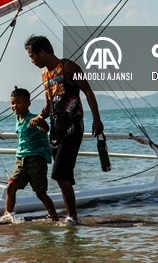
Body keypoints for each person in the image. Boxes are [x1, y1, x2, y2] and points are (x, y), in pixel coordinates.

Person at [26, 35, 103, 225]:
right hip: (56, 130)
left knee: (60, 174)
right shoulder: (45, 75)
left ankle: (73, 217)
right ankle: (72, 216)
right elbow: (49, 104)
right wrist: (38, 117)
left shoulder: (69, 67)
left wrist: (97, 120)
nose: (32, 60)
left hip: (73, 127)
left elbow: (88, 91)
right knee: (64, 175)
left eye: (32, 56)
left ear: (42, 52)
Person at [0, 86, 60, 223]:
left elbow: (45, 128)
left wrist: (41, 121)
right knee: (10, 187)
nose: (15, 106)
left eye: (18, 103)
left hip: (36, 160)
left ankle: (55, 218)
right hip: (21, 160)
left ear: (28, 103)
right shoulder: (18, 119)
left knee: (40, 193)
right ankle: (7, 216)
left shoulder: (33, 119)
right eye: (13, 103)